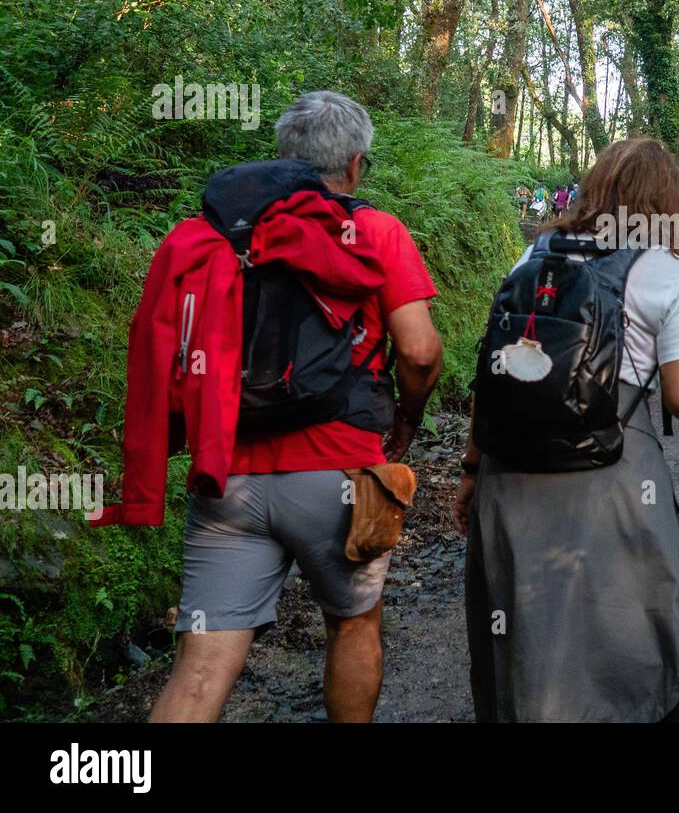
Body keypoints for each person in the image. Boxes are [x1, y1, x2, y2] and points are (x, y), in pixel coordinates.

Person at [96, 90, 443, 723]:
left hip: (227, 475)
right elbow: (418, 352)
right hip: (339, 475)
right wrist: (408, 418)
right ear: (356, 164)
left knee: (199, 667)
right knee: (353, 624)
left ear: (284, 158)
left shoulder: (217, 237)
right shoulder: (374, 230)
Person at [455, 138, 679, 722]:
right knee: (630, 625)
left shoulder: (531, 261)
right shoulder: (666, 273)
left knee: (530, 638)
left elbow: (494, 374)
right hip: (610, 478)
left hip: (510, 477)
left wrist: (470, 471)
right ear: (668, 203)